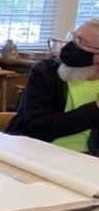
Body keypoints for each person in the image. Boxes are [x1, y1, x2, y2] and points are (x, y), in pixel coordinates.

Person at [6, 20, 99, 155]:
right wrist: (94, 110)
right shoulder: (45, 72)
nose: (71, 45)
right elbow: (38, 128)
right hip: (38, 151)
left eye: (80, 42)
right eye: (73, 38)